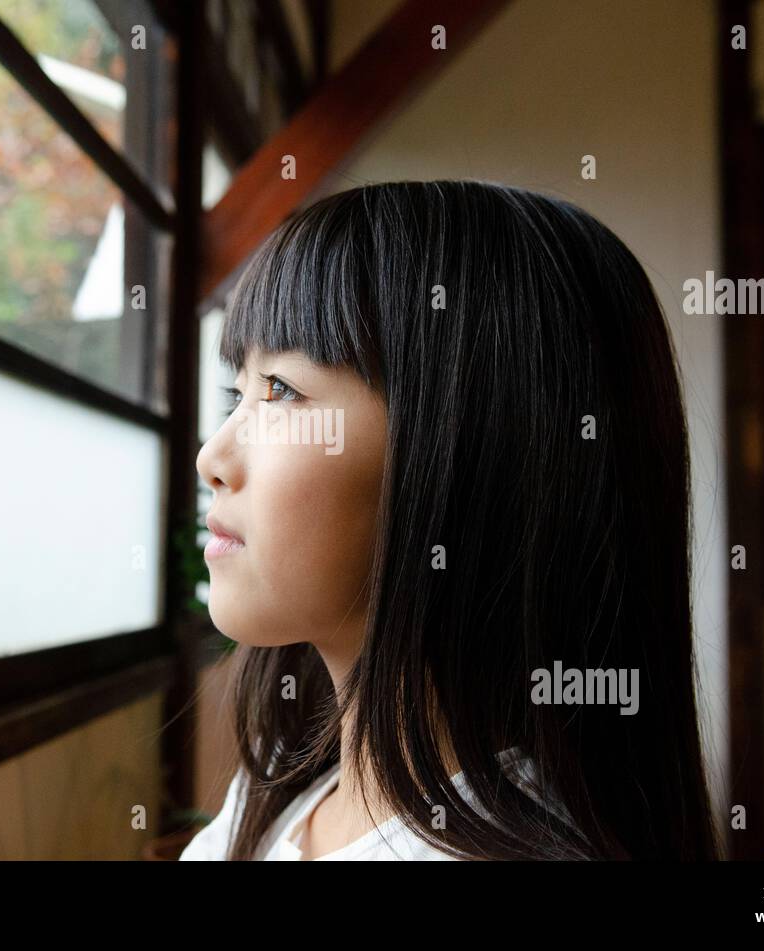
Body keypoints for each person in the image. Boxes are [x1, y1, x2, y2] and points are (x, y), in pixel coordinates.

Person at [181, 180, 719, 861]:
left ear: (472, 453)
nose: (212, 456)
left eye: (282, 390)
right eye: (238, 391)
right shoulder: (276, 799)